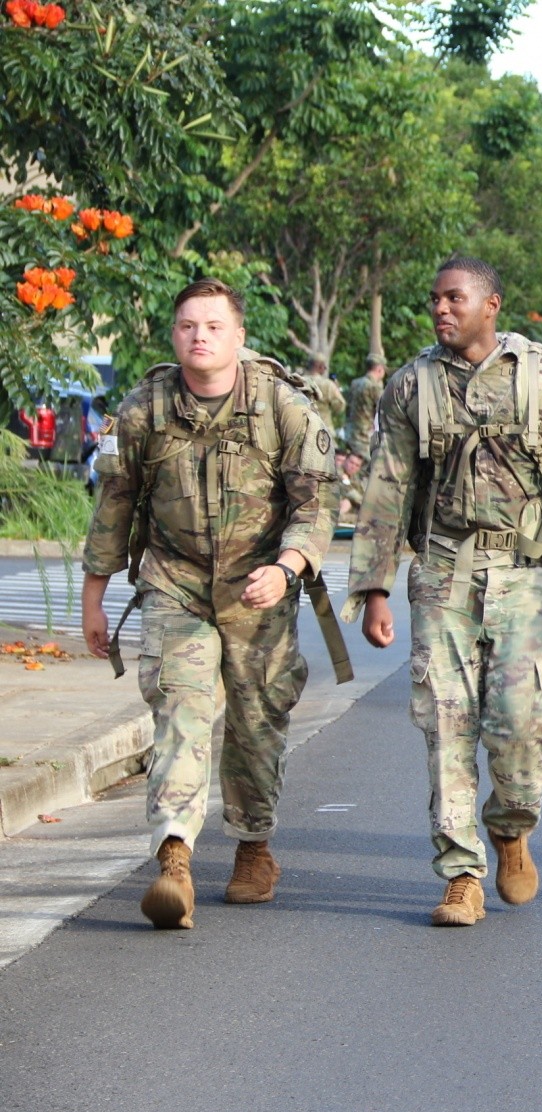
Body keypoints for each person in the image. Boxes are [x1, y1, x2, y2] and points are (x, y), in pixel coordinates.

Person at [344, 255, 542, 927]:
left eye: (455, 298)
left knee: (520, 726)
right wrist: (375, 588)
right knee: (445, 722)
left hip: (521, 578)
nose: (441, 310)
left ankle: (511, 825)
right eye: (434, 300)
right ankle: (460, 875)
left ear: (491, 306)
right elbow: (385, 491)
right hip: (441, 573)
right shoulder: (409, 386)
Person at [79, 277, 337, 930]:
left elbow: (316, 505)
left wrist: (288, 567)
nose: (201, 337)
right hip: (176, 582)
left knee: (256, 723)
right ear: (175, 335)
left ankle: (253, 848)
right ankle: (175, 857)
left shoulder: (284, 406)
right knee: (182, 708)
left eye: (214, 326)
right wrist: (93, 600)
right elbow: (112, 507)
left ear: (239, 337)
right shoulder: (143, 409)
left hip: (261, 586)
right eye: (189, 326)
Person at [341, 353, 386, 516]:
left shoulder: (355, 383)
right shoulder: (375, 387)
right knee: (366, 472)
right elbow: (382, 411)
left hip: (350, 432)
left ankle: (348, 499)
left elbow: (347, 406)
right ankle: (356, 503)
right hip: (365, 436)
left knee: (349, 469)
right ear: (379, 369)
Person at [303, 356, 347, 446]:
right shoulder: (328, 384)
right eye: (325, 367)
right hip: (323, 430)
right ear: (320, 367)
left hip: (302, 429)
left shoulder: (298, 381)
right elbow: (340, 406)